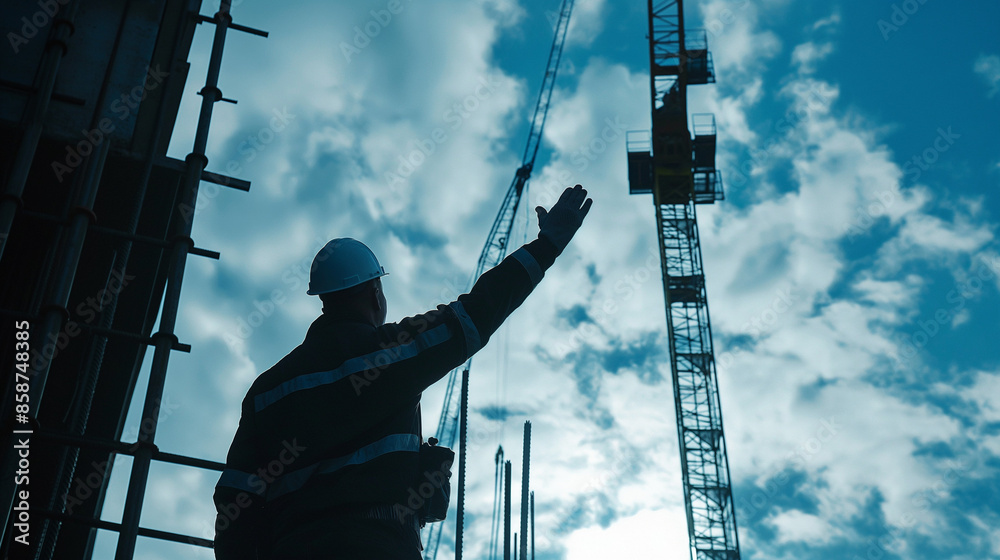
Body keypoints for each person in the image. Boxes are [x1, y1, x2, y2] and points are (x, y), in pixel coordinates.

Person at [213, 185, 593, 559]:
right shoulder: (392, 352)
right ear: (374, 292)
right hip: (379, 544)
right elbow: (477, 312)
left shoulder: (267, 391)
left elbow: (236, 502)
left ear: (323, 300)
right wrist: (546, 246)